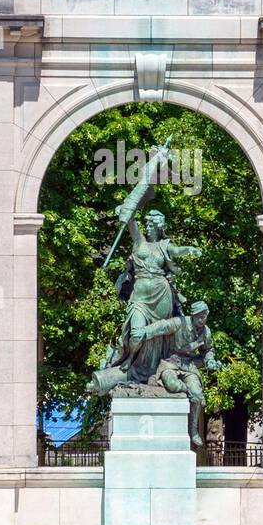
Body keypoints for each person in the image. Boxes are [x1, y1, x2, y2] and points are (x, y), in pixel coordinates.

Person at [86, 143, 202, 394]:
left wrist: (190, 250)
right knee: (137, 333)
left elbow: (178, 251)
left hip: (161, 295)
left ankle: (146, 373)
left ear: (159, 228)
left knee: (156, 339)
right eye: (147, 223)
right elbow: (130, 219)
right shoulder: (138, 241)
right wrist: (128, 208)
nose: (148, 226)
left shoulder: (164, 246)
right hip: (140, 297)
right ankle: (127, 364)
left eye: (152, 224)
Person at [154, 301, 220, 447]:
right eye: (200, 316)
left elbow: (208, 350)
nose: (203, 320)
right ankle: (187, 392)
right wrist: (143, 332)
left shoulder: (206, 331)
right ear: (193, 315)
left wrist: (210, 361)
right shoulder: (179, 323)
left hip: (189, 366)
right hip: (170, 362)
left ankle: (193, 430)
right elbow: (161, 326)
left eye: (205, 316)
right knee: (172, 385)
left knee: (197, 394)